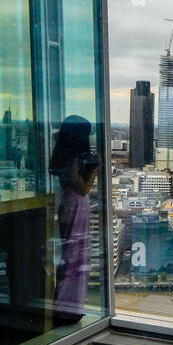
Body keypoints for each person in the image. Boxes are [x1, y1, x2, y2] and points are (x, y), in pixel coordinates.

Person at [50, 116, 98, 325]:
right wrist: (95, 167)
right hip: (77, 205)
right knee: (76, 257)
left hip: (70, 205)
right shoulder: (75, 159)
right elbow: (83, 188)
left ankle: (64, 306)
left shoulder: (62, 156)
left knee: (71, 255)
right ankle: (68, 308)